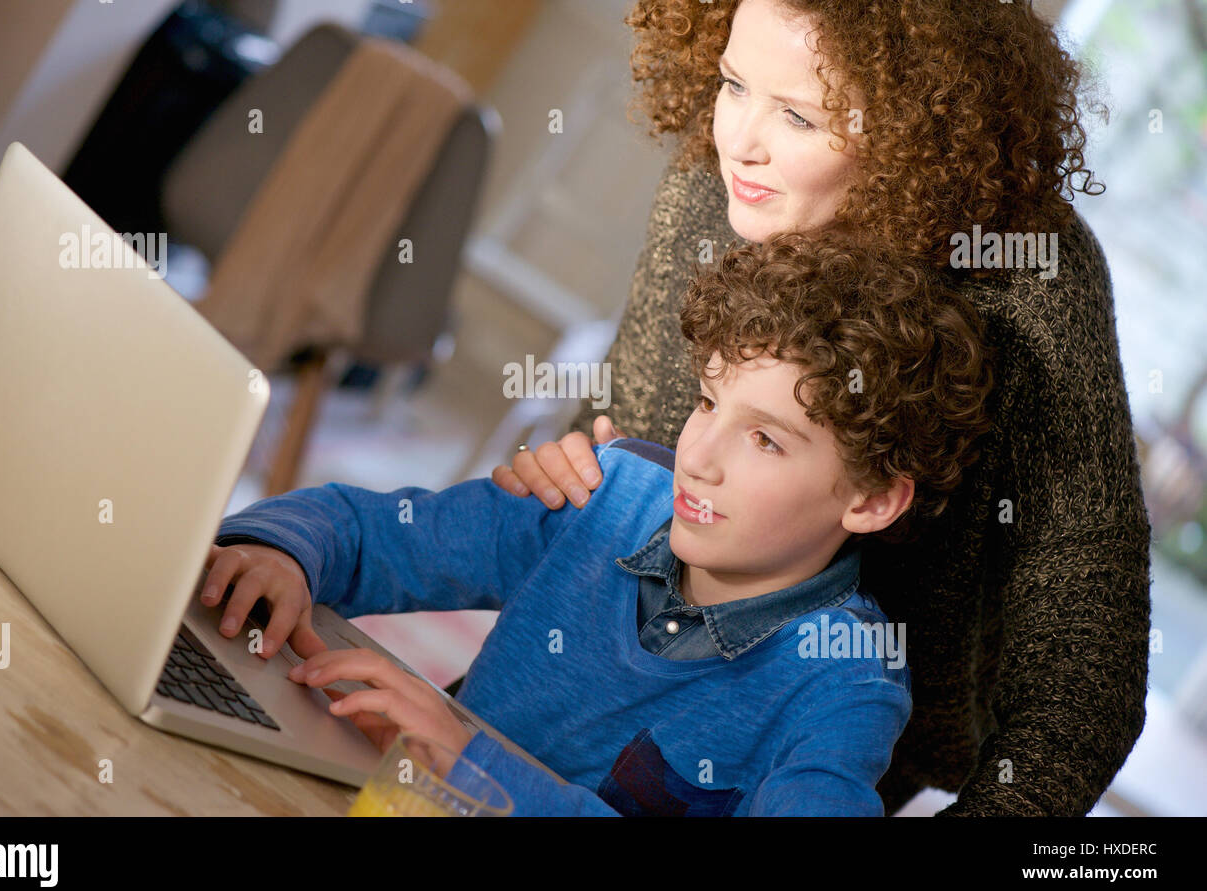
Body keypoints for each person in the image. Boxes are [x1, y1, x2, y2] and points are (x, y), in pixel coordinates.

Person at [491, 0, 1152, 816]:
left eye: (800, 116)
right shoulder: (716, 186)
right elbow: (642, 444)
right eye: (732, 85)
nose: (741, 143)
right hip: (621, 662)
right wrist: (577, 478)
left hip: (858, 731)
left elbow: (1086, 656)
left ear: (918, 134)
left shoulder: (1032, 284)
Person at [201, 233, 994, 815]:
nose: (699, 458)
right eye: (708, 404)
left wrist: (477, 766)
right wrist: (282, 552)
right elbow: (377, 532)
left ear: (872, 499)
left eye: (765, 439)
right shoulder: (604, 497)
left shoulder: (845, 682)